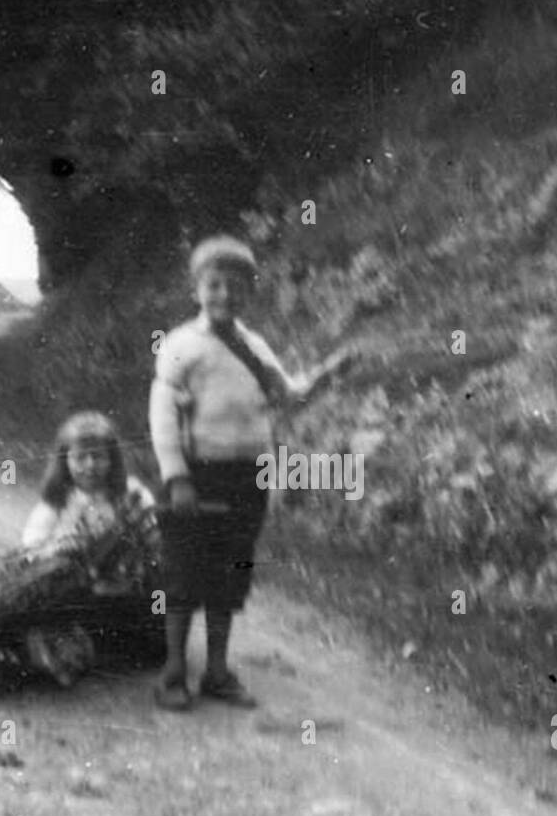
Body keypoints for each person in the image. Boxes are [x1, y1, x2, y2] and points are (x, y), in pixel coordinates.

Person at [148, 235, 351, 710]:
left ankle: (217, 671)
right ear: (197, 289)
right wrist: (176, 476)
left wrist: (325, 376)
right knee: (183, 573)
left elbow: (288, 393)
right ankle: (174, 672)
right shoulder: (181, 345)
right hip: (195, 477)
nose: (224, 295)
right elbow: (161, 415)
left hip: (248, 478)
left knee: (229, 574)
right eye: (214, 285)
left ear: (249, 293)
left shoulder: (255, 345)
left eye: (236, 287)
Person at [21, 411, 156, 686]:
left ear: (113, 459)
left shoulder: (130, 493)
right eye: (80, 457)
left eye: (99, 457)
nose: (90, 466)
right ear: (65, 460)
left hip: (122, 585)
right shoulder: (58, 500)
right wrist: (58, 550)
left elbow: (153, 531)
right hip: (79, 588)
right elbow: (32, 543)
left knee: (151, 647)